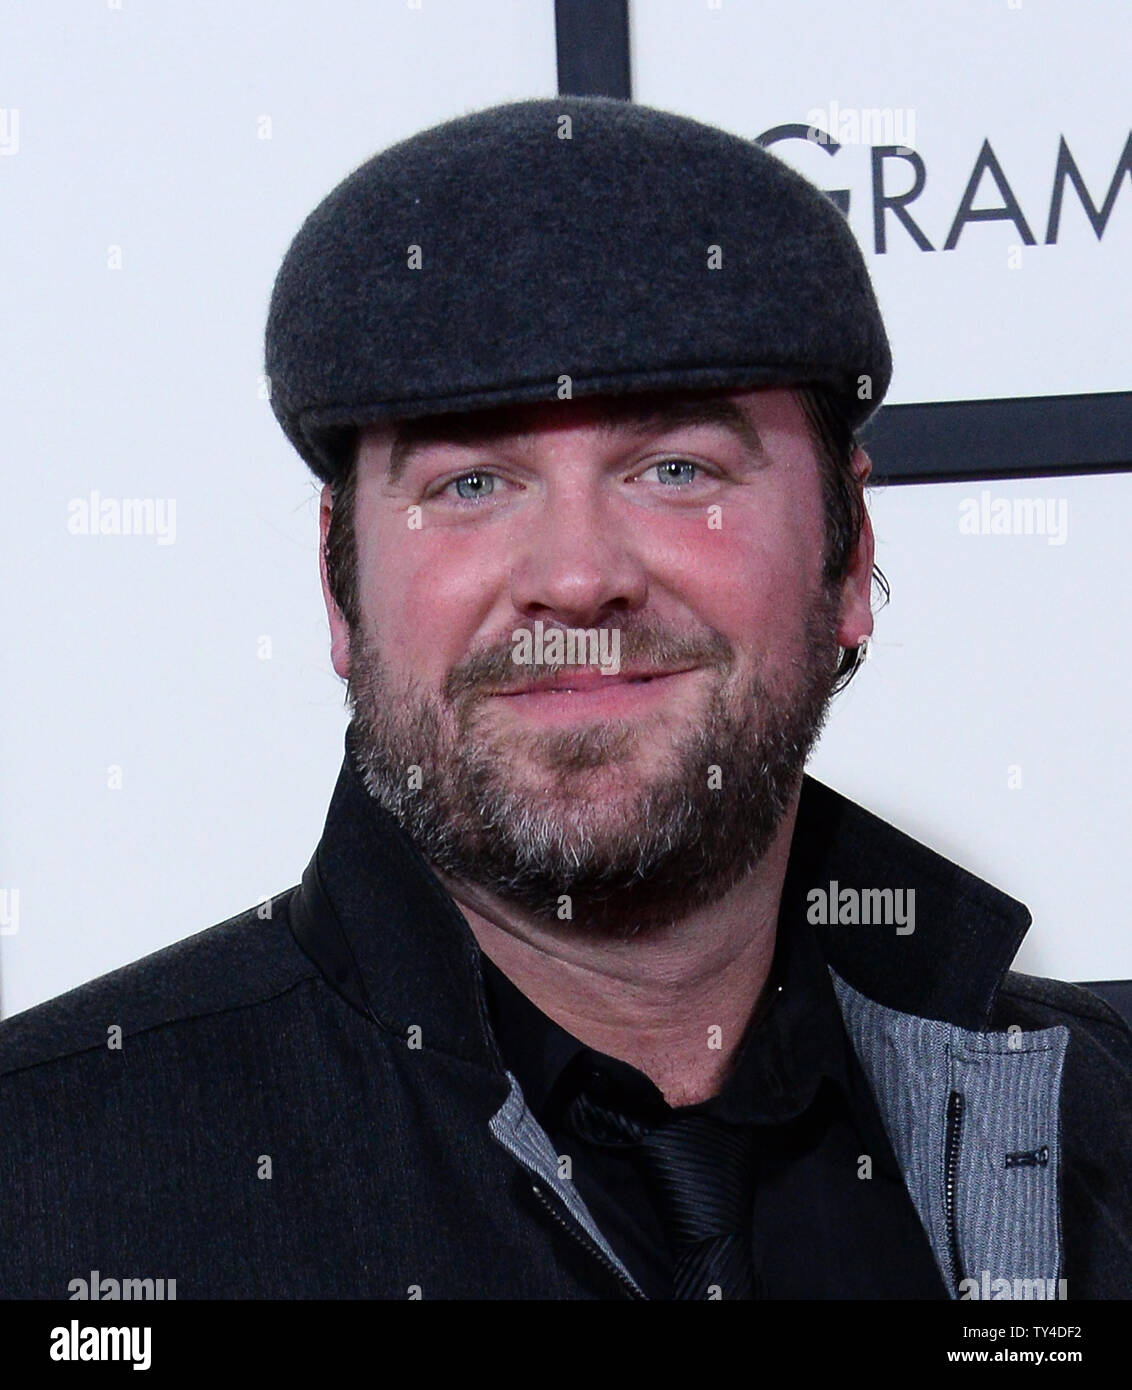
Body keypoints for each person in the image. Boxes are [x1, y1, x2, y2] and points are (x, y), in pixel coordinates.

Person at [1, 97, 1129, 1301]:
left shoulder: (1098, 1121)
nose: (578, 577)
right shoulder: (42, 1190)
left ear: (847, 560)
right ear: (340, 587)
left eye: (676, 469)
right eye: (474, 480)